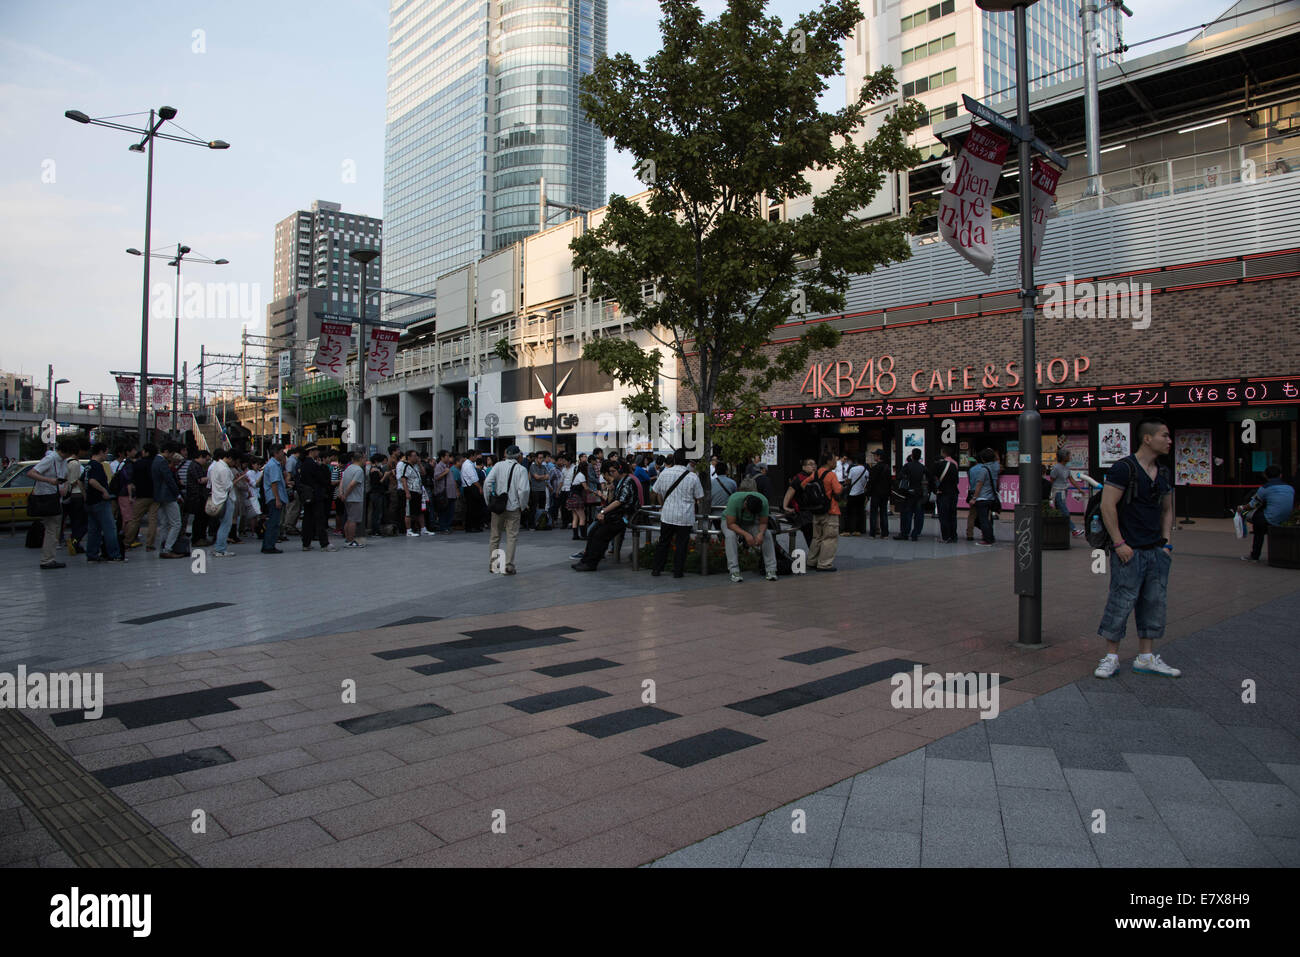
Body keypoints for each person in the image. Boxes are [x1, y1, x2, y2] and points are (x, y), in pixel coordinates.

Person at [1095, 418, 1180, 678]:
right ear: (1147, 438)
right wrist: (1119, 543)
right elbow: (1107, 506)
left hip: (1156, 550)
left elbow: (1167, 509)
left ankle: (1146, 656)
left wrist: (1166, 544)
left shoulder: (1164, 472)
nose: (1169, 440)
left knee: (1154, 602)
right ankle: (1111, 657)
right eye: (1164, 435)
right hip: (1129, 550)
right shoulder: (1124, 469)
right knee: (1120, 601)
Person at [572, 461, 637, 571]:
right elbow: (610, 500)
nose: (612, 474)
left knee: (600, 535)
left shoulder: (628, 482)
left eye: (613, 471)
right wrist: (610, 489)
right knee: (593, 532)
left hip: (623, 517)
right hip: (615, 515)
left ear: (620, 470)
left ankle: (591, 563)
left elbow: (619, 501)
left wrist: (603, 512)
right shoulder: (619, 482)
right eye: (610, 472)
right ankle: (586, 560)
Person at [651, 449, 705, 578]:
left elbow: (655, 491)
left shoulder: (664, 473)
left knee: (663, 542)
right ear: (687, 461)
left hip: (667, 514)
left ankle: (657, 569)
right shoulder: (693, 477)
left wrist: (661, 504)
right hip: (685, 516)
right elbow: (700, 497)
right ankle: (678, 571)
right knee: (681, 544)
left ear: (674, 459)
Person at [27, 438, 78, 569]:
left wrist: (64, 485)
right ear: (66, 451)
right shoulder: (50, 459)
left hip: (55, 498)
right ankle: (47, 559)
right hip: (47, 498)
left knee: (53, 529)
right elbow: (31, 473)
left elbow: (63, 477)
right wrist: (49, 480)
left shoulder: (62, 461)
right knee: (52, 529)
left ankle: (49, 558)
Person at [484, 445, 531, 575]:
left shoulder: (498, 465)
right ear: (518, 456)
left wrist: (489, 500)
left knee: (495, 535)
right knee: (511, 536)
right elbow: (524, 490)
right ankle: (508, 565)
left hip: (498, 506)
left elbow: (487, 483)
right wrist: (522, 505)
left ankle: (494, 564)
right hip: (513, 506)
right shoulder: (521, 469)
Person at [1238, 464, 1295, 563]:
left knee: (1257, 523)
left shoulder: (1265, 488)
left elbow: (1253, 505)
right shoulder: (1290, 488)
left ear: (1265, 476)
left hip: (1270, 518)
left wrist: (1242, 508)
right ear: (1280, 475)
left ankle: (1255, 555)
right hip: (1287, 518)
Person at [723, 491, 779, 583]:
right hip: (732, 522)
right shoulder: (734, 499)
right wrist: (746, 534)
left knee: (767, 534)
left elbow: (763, 522)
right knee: (730, 536)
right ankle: (734, 571)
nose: (749, 514)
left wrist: (760, 533)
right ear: (745, 504)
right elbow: (730, 524)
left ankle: (771, 570)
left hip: (751, 523)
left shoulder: (764, 501)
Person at [83, 443, 123, 563]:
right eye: (106, 452)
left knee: (94, 530)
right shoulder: (97, 466)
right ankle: (114, 554)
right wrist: (104, 491)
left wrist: (85, 495)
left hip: (90, 502)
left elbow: (81, 481)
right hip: (100, 501)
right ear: (101, 452)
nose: (106, 455)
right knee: (110, 528)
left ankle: (92, 554)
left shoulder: (88, 466)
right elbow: (92, 481)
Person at [803, 453, 843, 571]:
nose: (836, 462)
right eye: (834, 460)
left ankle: (812, 561)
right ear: (829, 461)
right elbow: (838, 490)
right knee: (829, 538)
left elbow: (803, 484)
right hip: (830, 510)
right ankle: (824, 564)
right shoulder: (831, 475)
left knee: (817, 537)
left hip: (816, 511)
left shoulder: (815, 473)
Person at [297, 445, 336, 552]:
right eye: (316, 450)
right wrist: (321, 467)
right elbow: (322, 479)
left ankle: (306, 543)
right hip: (316, 495)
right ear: (311, 452)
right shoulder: (313, 465)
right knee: (320, 519)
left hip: (307, 495)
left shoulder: (303, 464)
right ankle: (324, 544)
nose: (318, 452)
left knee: (307, 519)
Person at [152, 442, 186, 559]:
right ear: (167, 452)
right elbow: (169, 480)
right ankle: (168, 548)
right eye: (171, 454)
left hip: (158, 496)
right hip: (168, 496)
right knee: (176, 523)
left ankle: (163, 547)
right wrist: (177, 494)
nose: (171, 456)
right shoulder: (162, 462)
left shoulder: (155, 461)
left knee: (164, 523)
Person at [123, 442, 159, 550]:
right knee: (153, 520)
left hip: (141, 495)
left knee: (135, 519)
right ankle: (150, 544)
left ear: (146, 452)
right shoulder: (157, 463)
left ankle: (127, 541)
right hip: (155, 495)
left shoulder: (138, 464)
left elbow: (132, 479)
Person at [781, 458, 817, 550]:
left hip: (815, 511)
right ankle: (814, 558)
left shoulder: (816, 477)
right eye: (810, 464)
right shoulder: (799, 478)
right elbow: (790, 491)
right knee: (810, 536)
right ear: (804, 467)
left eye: (814, 464)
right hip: (804, 512)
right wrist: (785, 506)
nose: (813, 466)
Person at [1049, 449, 1087, 538]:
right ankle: (1073, 529)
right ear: (1064, 457)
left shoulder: (1066, 467)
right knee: (1064, 510)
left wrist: (1079, 489)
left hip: (1064, 490)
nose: (1070, 457)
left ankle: (1060, 529)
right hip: (1058, 491)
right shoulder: (1056, 468)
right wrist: (1051, 494)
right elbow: (1052, 480)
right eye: (1069, 455)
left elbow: (1071, 479)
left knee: (1060, 511)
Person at [208, 448, 237, 558]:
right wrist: (236, 481)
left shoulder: (215, 466)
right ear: (229, 458)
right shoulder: (224, 469)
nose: (233, 464)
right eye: (234, 461)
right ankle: (220, 548)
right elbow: (228, 486)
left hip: (217, 497)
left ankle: (219, 547)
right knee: (226, 524)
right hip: (225, 498)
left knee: (222, 524)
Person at [895, 448, 928, 542]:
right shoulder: (923, 467)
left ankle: (905, 533)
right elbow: (928, 478)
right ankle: (915, 533)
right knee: (918, 515)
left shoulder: (907, 466)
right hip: (919, 494)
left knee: (907, 514)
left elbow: (899, 476)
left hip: (909, 493)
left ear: (912, 455)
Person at [968, 448, 1000, 546]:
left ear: (982, 459)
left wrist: (974, 498)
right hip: (991, 497)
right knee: (988, 519)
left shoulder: (983, 470)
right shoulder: (995, 467)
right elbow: (997, 460)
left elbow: (979, 484)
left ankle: (987, 540)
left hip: (982, 498)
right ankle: (990, 537)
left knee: (983, 520)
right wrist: (994, 452)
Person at [261, 444, 287, 554]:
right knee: (273, 522)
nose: (283, 454)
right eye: (281, 452)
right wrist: (277, 499)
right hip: (274, 497)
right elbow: (274, 483)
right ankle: (269, 545)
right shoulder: (273, 466)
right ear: (276, 453)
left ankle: (268, 544)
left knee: (274, 522)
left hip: (274, 496)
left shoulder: (274, 465)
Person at [931, 445, 960, 543]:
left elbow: (932, 480)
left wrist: (935, 490)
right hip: (954, 493)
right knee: (952, 515)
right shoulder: (952, 465)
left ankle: (945, 537)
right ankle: (954, 536)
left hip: (943, 493)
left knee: (943, 516)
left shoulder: (937, 466)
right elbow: (957, 481)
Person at [339, 450, 367, 548]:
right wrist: (346, 494)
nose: (365, 461)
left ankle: (348, 539)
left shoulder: (348, 468)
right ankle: (350, 540)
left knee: (349, 519)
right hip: (355, 498)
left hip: (348, 498)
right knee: (353, 520)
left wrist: (341, 493)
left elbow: (342, 481)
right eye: (364, 459)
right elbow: (352, 484)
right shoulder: (359, 470)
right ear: (360, 459)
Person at [397, 449, 427, 538]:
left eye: (416, 456)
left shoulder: (415, 466)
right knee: (408, 512)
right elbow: (403, 479)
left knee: (419, 511)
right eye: (414, 456)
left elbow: (423, 473)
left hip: (418, 491)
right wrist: (407, 492)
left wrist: (419, 463)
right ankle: (408, 530)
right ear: (409, 457)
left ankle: (423, 529)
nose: (416, 457)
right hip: (410, 491)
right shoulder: (405, 466)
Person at [430, 450, 458, 534]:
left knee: (450, 511)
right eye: (447, 456)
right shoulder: (439, 466)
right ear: (442, 457)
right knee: (444, 511)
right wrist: (445, 472)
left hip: (450, 493)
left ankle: (448, 526)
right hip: (444, 493)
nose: (448, 457)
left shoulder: (447, 465)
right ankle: (443, 527)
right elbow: (436, 477)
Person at [867, 448, 892, 538]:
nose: (874, 456)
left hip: (875, 493)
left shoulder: (874, 468)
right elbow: (890, 482)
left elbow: (871, 481)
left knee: (873, 513)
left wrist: (868, 493)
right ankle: (885, 533)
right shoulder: (887, 468)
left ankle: (873, 532)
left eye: (875, 455)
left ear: (879, 456)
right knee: (883, 512)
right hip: (885, 493)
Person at [461, 450, 485, 532]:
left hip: (470, 487)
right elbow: (474, 479)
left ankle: (472, 526)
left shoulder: (469, 464)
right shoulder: (468, 465)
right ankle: (472, 526)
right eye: (475, 455)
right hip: (471, 488)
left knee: (472, 508)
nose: (476, 457)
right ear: (471, 456)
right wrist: (480, 488)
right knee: (473, 508)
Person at [844, 456, 868, 536]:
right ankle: (858, 530)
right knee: (859, 512)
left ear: (857, 461)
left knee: (849, 512)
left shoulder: (853, 469)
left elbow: (848, 481)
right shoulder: (866, 471)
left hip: (852, 493)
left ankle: (848, 530)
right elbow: (866, 483)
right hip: (861, 493)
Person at [366, 453, 387, 536]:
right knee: (377, 512)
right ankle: (376, 530)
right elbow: (378, 483)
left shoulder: (376, 469)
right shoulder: (375, 471)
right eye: (381, 461)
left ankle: (375, 529)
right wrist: (385, 476)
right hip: (376, 493)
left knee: (376, 512)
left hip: (376, 493)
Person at [528, 452, 549, 530]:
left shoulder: (544, 467)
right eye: (540, 458)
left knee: (542, 508)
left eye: (542, 458)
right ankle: (531, 525)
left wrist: (541, 477)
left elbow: (548, 477)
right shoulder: (532, 466)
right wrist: (543, 477)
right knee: (533, 508)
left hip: (542, 490)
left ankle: (541, 524)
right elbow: (536, 477)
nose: (541, 459)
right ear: (536, 458)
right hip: (535, 490)